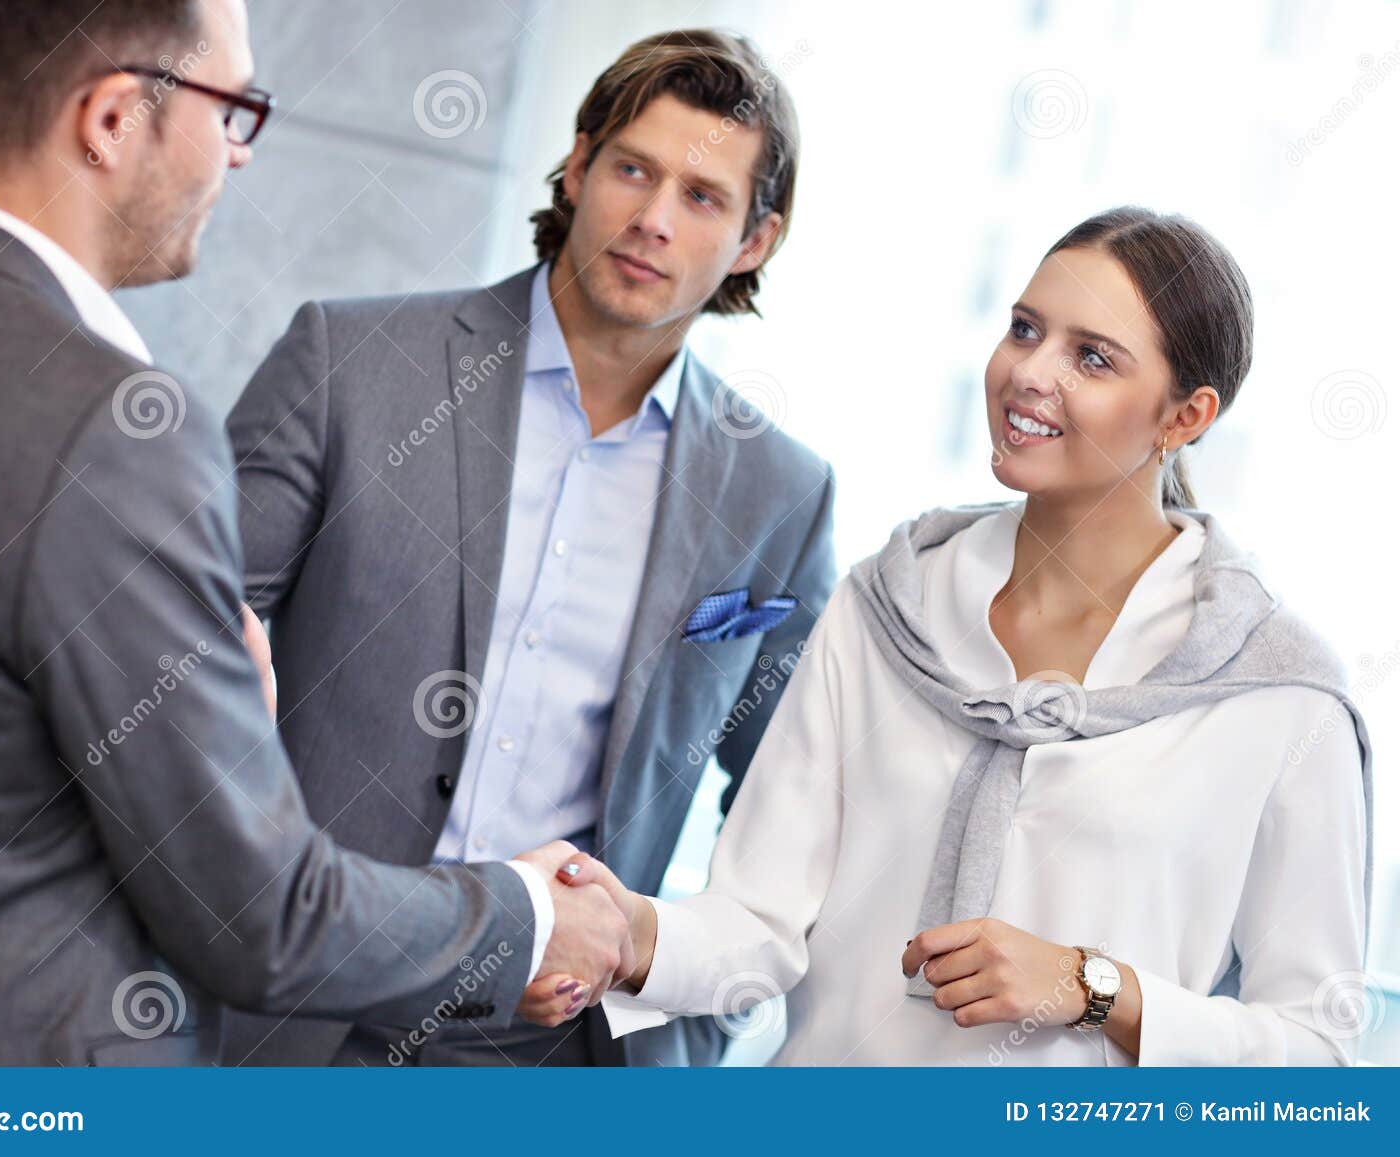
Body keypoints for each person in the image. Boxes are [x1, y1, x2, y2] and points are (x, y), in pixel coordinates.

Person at [0, 0, 629, 1066]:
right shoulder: (112, 429)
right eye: (233, 106)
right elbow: (263, 919)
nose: (237, 156)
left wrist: (200, 707)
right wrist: (523, 915)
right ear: (109, 119)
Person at [537, 207, 1374, 1066]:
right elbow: (758, 919)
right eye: (1024, 329)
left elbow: (1318, 1048)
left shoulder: (1278, 695)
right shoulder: (888, 605)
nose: (1028, 372)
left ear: (1185, 417)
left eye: (1092, 356)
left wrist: (1096, 988)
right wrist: (626, 932)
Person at [222, 29, 835, 1067]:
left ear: (753, 241)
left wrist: (693, 1007)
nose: (651, 219)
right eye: (633, 169)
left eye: (702, 196)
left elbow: (799, 807)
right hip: (299, 1009)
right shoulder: (350, 363)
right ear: (580, 160)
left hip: (561, 1050)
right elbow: (174, 658)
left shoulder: (777, 490)